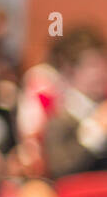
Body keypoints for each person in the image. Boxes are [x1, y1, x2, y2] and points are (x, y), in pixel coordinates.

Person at [43, 25, 107, 179]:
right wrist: (97, 128)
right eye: (92, 65)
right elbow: (60, 169)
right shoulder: (59, 118)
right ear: (70, 69)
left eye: (103, 63)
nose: (101, 72)